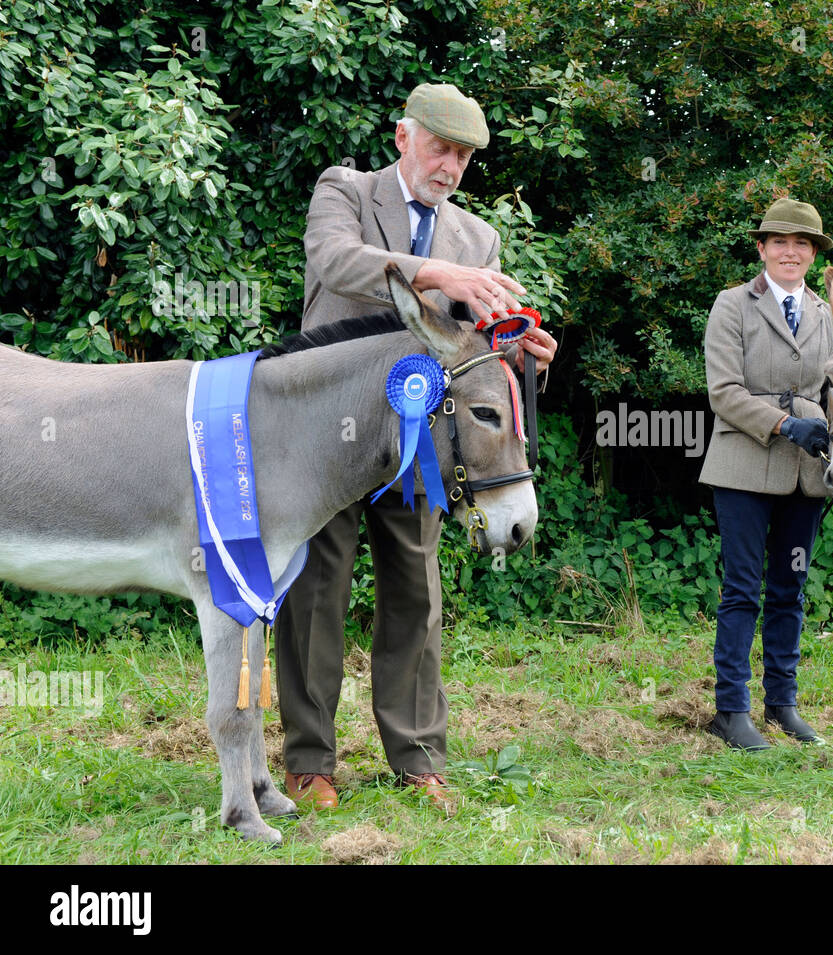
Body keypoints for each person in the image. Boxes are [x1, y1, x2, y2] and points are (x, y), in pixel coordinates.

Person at [276, 83, 557, 811]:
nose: (451, 165)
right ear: (404, 137)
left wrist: (523, 351)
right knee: (316, 594)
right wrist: (437, 273)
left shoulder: (478, 240)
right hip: (328, 434)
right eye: (441, 147)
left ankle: (419, 757)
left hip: (418, 445)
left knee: (416, 593)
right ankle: (310, 761)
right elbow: (337, 262)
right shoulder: (345, 191)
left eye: (464, 155)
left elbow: (476, 350)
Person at [698, 198, 833, 751]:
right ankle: (731, 710)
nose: (790, 251)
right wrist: (784, 424)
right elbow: (723, 393)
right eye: (779, 241)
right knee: (741, 591)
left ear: (812, 254)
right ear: (761, 248)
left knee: (790, 589)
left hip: (807, 473)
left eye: (801, 243)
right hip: (743, 466)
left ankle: (782, 702)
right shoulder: (732, 306)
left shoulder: (826, 314)